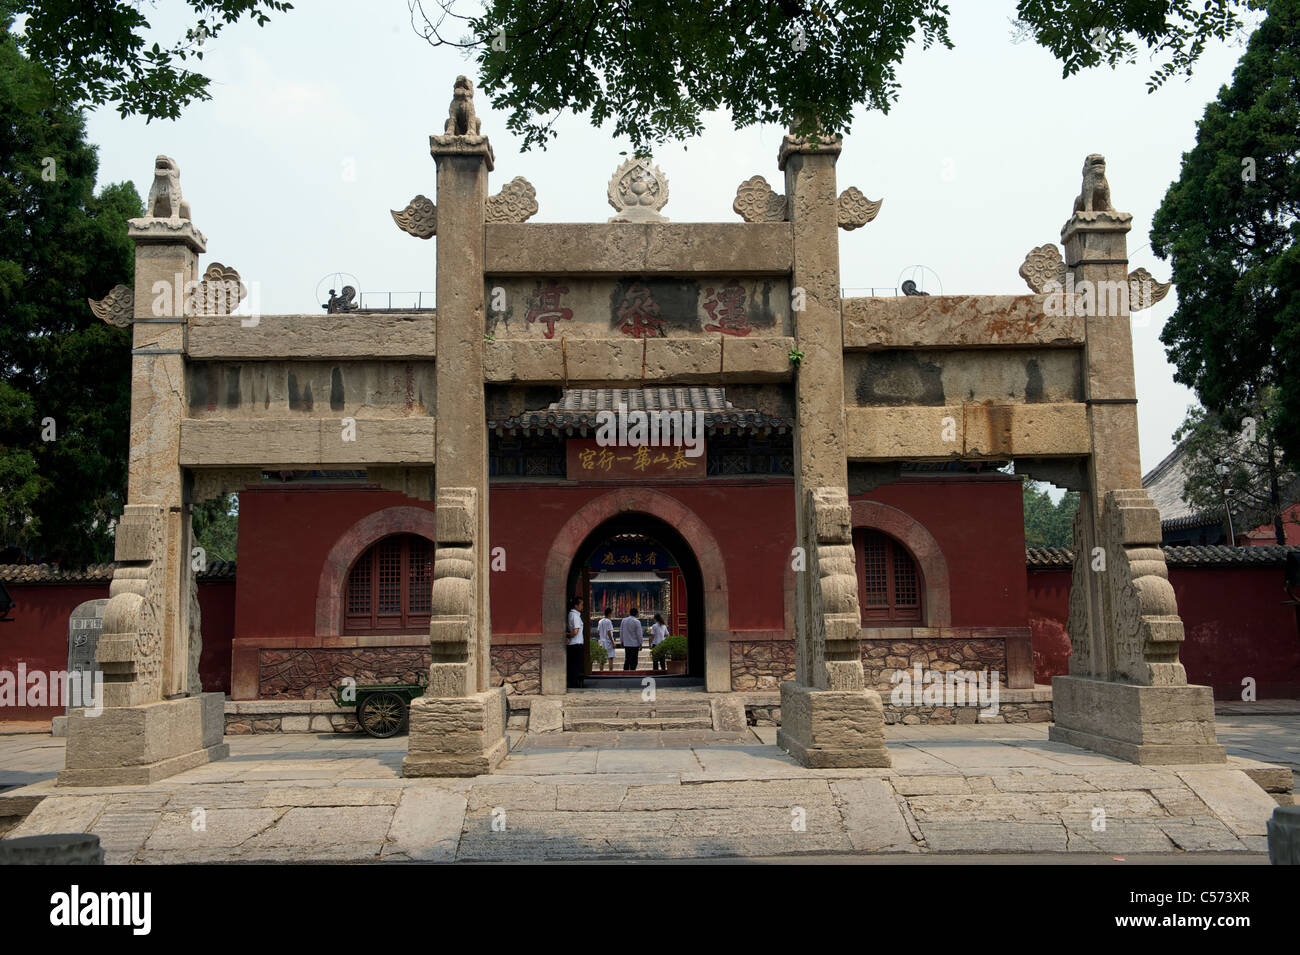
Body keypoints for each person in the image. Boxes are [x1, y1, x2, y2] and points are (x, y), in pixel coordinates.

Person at [566, 595, 585, 688]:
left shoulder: (571, 614)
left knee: (572, 665)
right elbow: (575, 632)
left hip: (573, 644)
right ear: (576, 606)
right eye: (581, 604)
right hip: (576, 644)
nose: (582, 606)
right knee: (576, 666)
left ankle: (573, 683)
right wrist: (568, 635)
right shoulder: (575, 616)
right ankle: (573, 684)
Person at [619, 606, 644, 671]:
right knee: (634, 659)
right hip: (634, 644)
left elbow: (621, 631)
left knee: (627, 659)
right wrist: (640, 643)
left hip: (627, 643)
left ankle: (626, 672)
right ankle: (633, 671)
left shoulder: (623, 620)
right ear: (636, 613)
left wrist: (621, 641)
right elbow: (639, 634)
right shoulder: (637, 621)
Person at [597, 607, 616, 671]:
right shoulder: (608, 621)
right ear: (609, 614)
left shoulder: (600, 621)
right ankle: (611, 672)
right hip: (608, 642)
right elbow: (609, 632)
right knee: (610, 658)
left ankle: (601, 672)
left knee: (602, 659)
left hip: (602, 642)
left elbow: (598, 631)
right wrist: (613, 642)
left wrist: (602, 636)